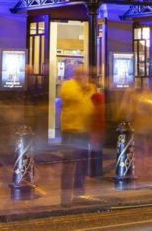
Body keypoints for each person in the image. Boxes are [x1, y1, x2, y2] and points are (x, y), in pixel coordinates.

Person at [59, 65, 95, 206]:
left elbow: (92, 106)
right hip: (71, 131)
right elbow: (72, 97)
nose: (82, 76)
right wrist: (84, 88)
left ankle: (79, 194)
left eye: (85, 73)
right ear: (74, 74)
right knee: (69, 165)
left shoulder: (91, 88)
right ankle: (66, 198)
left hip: (85, 132)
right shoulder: (68, 86)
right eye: (79, 73)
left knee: (82, 165)